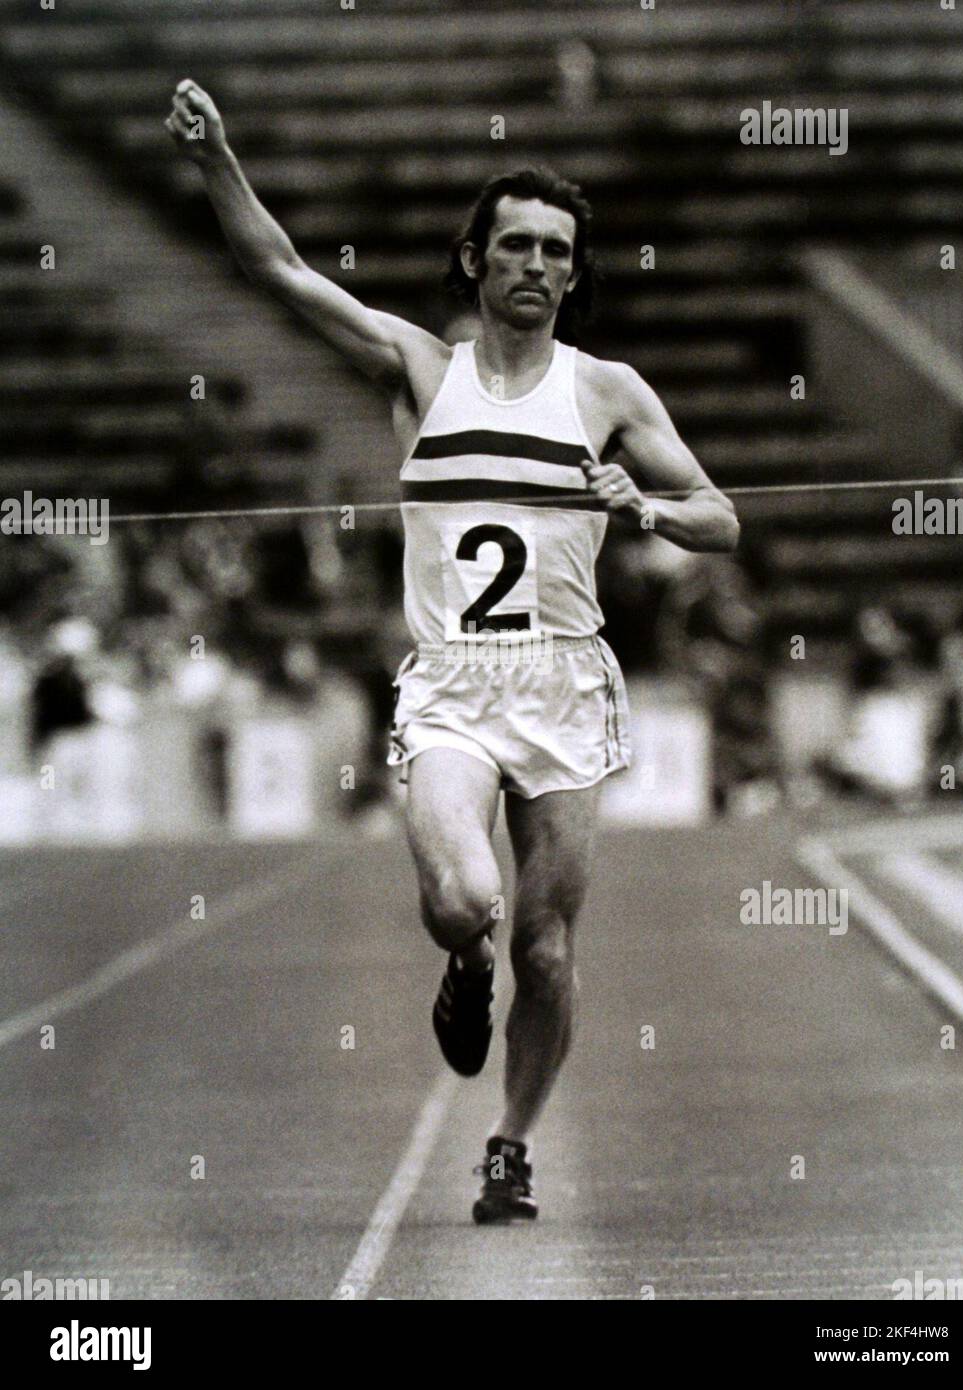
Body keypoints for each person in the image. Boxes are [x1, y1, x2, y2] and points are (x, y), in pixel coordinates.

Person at [166, 79, 740, 1223]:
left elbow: (723, 516)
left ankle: (511, 1145)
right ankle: (461, 966)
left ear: (576, 275)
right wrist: (217, 158)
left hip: (567, 683)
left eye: (556, 251)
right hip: (451, 686)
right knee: (464, 899)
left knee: (554, 945)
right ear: (476, 260)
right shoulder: (423, 370)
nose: (534, 264)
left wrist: (651, 509)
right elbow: (279, 271)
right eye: (514, 244)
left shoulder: (610, 392)